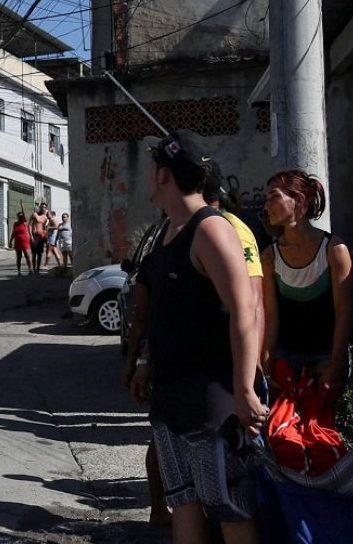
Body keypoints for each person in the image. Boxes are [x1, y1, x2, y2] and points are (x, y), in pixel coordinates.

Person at [128, 131, 267, 544]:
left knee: (228, 505)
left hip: (213, 402)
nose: (147, 174)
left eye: (151, 167)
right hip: (171, 398)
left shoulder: (212, 229)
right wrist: (144, 361)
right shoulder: (167, 230)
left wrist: (244, 388)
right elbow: (163, 312)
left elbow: (246, 309)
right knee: (183, 501)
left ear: (163, 174)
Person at [260, 170, 353, 399]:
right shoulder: (269, 258)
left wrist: (335, 366)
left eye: (274, 197)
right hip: (285, 360)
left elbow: (345, 313)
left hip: (325, 358)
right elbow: (271, 318)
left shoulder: (334, 251)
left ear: (299, 200)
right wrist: (266, 367)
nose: (266, 206)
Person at [29, 202, 51, 275]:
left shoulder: (45, 217)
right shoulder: (34, 214)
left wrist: (45, 235)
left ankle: (38, 270)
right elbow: (29, 225)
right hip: (34, 236)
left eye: (44, 207)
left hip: (41, 236)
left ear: (46, 208)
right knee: (34, 254)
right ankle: (34, 269)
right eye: (42, 207)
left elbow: (45, 227)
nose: (43, 208)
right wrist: (31, 236)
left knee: (40, 254)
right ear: (40, 207)